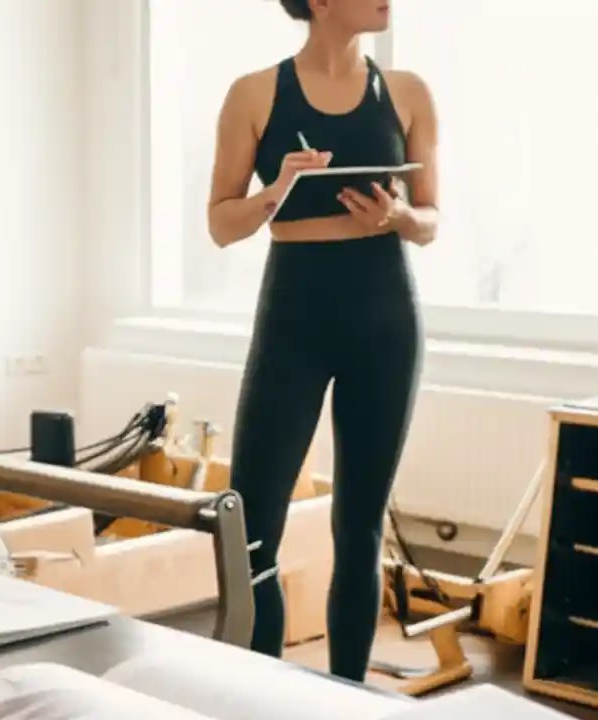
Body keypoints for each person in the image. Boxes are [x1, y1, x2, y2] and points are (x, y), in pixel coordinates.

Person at [206, 0, 439, 683]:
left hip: (385, 319)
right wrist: (278, 190)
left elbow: (432, 220)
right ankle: (262, 695)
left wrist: (398, 214)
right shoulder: (254, 93)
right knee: (251, 531)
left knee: (360, 530)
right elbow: (222, 224)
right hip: (293, 317)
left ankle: (348, 697)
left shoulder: (409, 93)